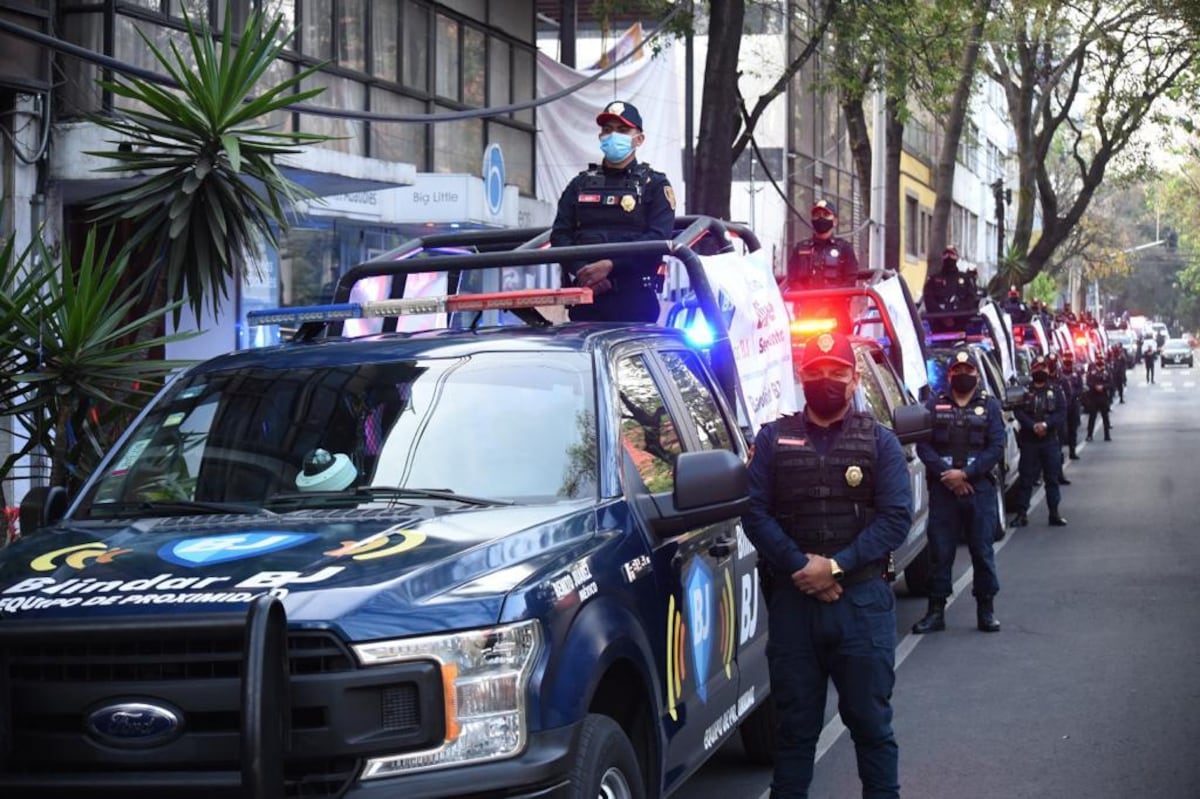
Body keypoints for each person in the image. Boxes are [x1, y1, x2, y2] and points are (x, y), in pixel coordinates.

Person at [743, 330, 911, 799]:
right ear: (801, 376)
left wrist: (834, 567)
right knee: (793, 735)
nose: (826, 380)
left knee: (872, 729)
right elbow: (754, 513)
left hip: (861, 605)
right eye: (816, 372)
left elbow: (896, 519)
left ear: (854, 378)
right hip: (795, 606)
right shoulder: (773, 439)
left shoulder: (880, 443)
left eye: (836, 372)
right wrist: (803, 567)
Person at [550, 100, 676, 323]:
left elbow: (658, 240)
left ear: (639, 139)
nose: (613, 136)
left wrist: (611, 266)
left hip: (635, 301)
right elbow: (560, 235)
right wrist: (584, 273)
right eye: (607, 130)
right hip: (586, 302)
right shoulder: (578, 185)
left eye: (623, 130)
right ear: (600, 137)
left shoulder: (655, 185)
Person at [912, 347, 1006, 634]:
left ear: (976, 374)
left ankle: (986, 611)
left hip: (979, 490)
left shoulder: (990, 406)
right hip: (944, 491)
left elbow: (996, 447)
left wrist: (965, 474)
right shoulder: (934, 404)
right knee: (940, 553)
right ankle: (936, 611)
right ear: (949, 374)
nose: (963, 375)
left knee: (982, 551)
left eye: (968, 371)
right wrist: (948, 475)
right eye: (957, 371)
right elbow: (923, 445)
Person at [1013, 355, 1068, 527]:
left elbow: (1061, 412)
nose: (1040, 371)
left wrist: (1046, 424)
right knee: (1026, 479)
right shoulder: (1023, 391)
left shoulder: (1056, 390)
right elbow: (1018, 411)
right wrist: (1032, 426)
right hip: (1029, 441)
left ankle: (1054, 513)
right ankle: (1022, 514)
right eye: (1037, 368)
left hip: (1049, 440)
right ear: (1031, 370)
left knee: (1052, 478)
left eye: (1043, 368)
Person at [785, 199, 860, 289]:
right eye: (817, 215)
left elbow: (850, 280)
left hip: (837, 301)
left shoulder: (845, 248)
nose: (821, 218)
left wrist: (836, 298)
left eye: (826, 215)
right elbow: (792, 279)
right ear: (812, 220)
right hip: (805, 301)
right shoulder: (800, 248)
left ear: (835, 221)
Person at [922, 246, 979, 331]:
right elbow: (929, 301)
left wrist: (955, 316)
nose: (949, 256)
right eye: (946, 254)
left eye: (952, 254)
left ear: (957, 257)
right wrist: (943, 317)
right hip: (938, 325)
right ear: (942, 257)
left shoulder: (966, 279)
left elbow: (970, 300)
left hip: (961, 325)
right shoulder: (933, 280)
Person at [1083, 354, 1112, 442]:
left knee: (1105, 417)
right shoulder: (1092, 372)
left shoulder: (1107, 372)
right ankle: (1089, 435)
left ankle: (1107, 435)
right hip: (1094, 397)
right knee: (1092, 417)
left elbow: (1111, 383)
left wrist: (1103, 387)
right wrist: (1095, 386)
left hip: (1103, 397)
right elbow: (1088, 382)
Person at [1061, 350, 1083, 460]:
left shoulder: (1076, 373)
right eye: (1066, 357)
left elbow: (1080, 387)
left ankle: (1072, 451)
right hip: (1062, 406)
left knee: (1072, 429)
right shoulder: (1059, 374)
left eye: (1070, 357)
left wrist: (1074, 395)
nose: (1068, 360)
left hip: (1073, 405)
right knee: (1061, 430)